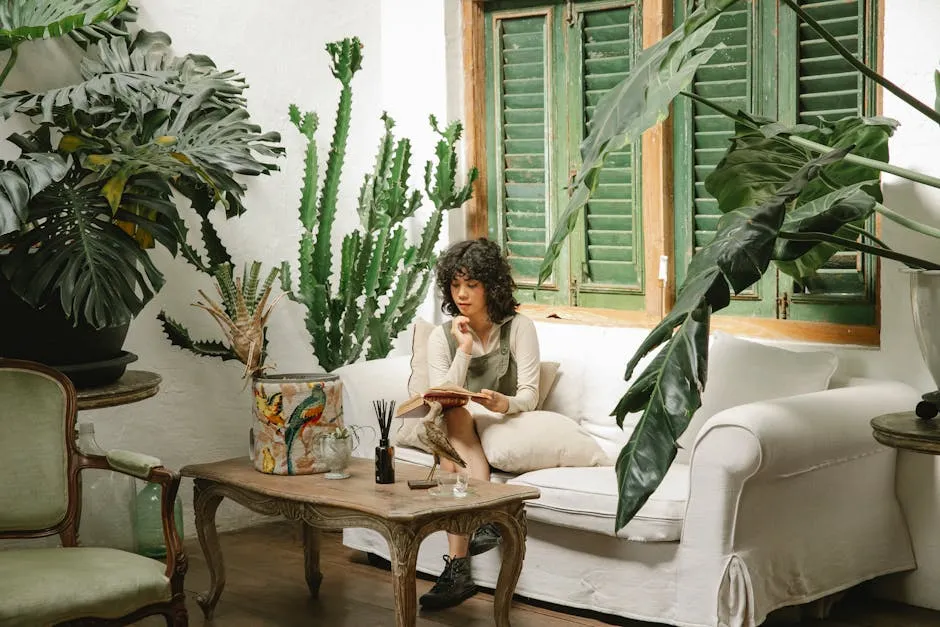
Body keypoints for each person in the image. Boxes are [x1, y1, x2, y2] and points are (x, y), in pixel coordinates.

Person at [418, 237, 540, 611]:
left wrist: (506, 402)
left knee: (449, 461)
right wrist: (465, 349)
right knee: (454, 414)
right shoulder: (443, 337)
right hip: (458, 423)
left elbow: (530, 395)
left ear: (492, 286)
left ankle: (457, 570)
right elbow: (443, 394)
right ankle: (482, 520)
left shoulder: (518, 327)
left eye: (472, 285)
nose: (462, 294)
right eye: (455, 285)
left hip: (502, 420)